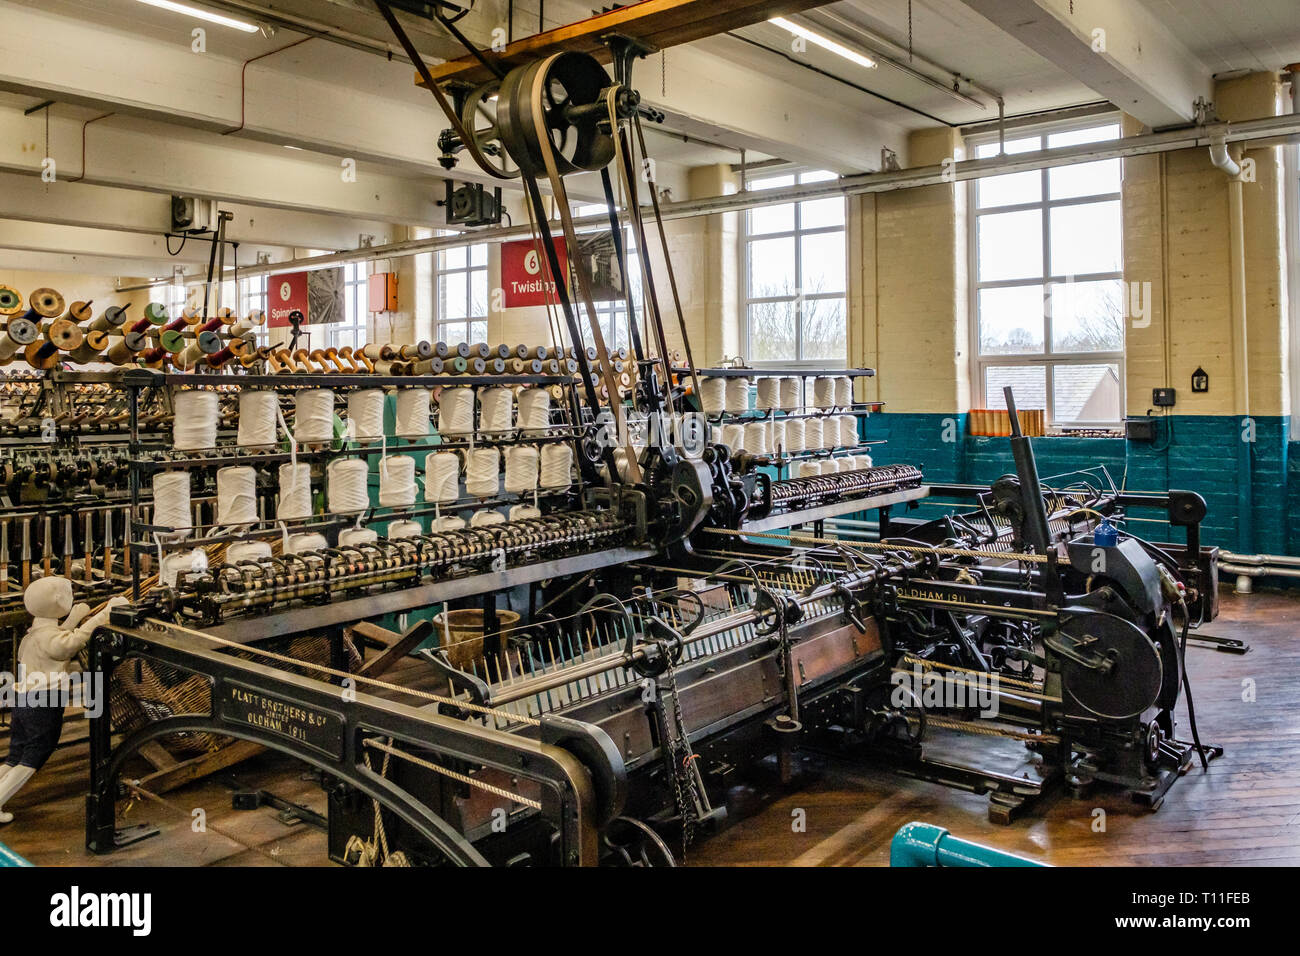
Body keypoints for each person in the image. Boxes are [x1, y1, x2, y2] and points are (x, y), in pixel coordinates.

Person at [0, 577, 125, 824]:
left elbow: (54, 639)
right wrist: (105, 614)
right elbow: (69, 644)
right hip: (42, 703)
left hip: (23, 701)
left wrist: (74, 618)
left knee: (15, 755)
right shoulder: (48, 638)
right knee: (34, 756)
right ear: (57, 601)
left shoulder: (35, 631)